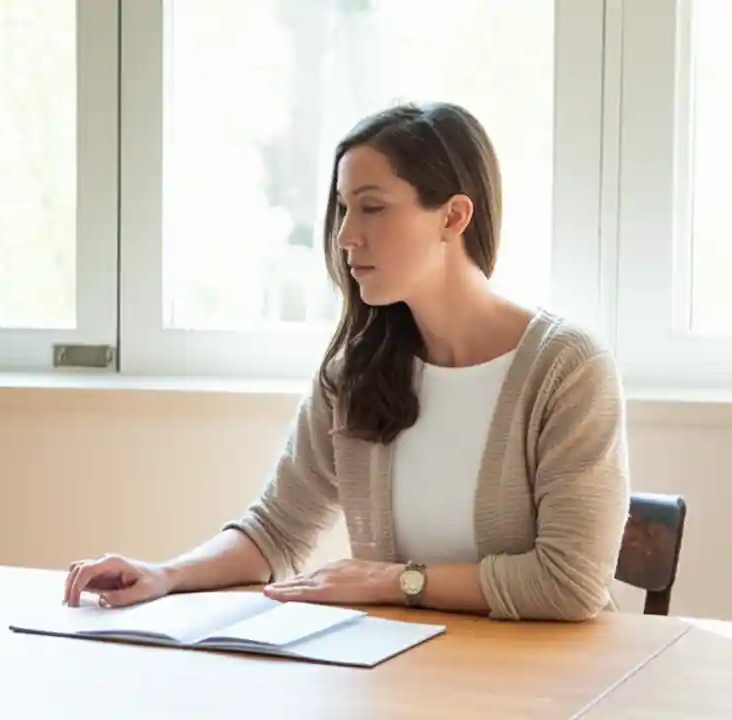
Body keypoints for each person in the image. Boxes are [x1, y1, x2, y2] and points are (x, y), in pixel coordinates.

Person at [64, 102, 629, 622]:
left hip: (547, 683)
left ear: (453, 217)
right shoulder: (357, 371)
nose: (345, 235)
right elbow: (276, 530)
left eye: (372, 208)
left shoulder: (567, 369)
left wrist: (393, 582)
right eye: (341, 208)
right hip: (401, 673)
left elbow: (569, 582)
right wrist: (165, 574)